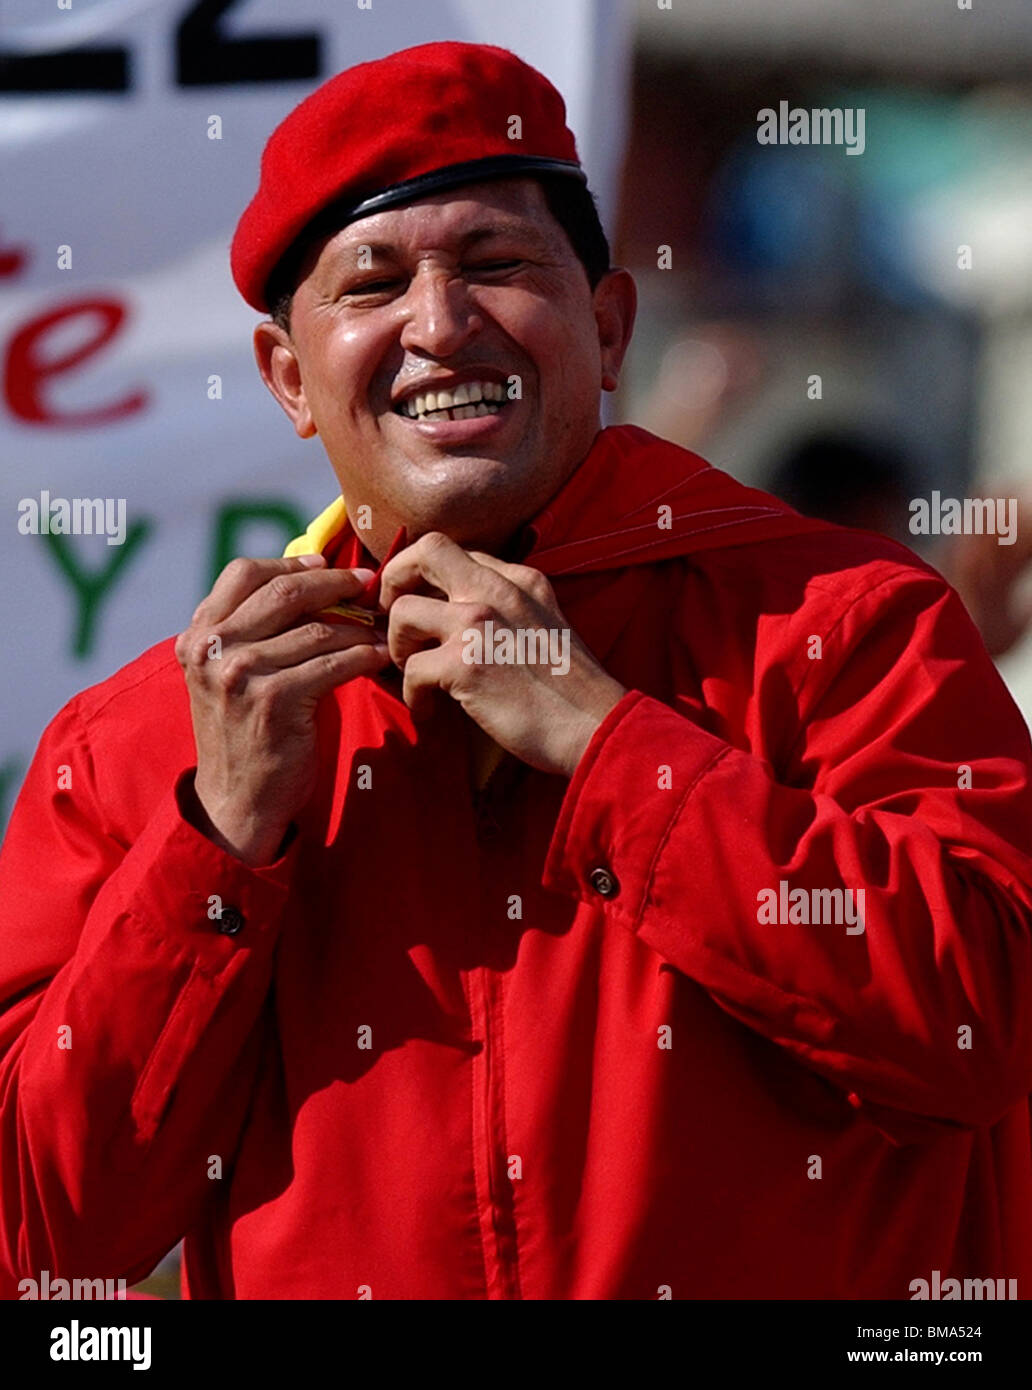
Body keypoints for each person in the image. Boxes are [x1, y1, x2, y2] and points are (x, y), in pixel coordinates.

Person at [2, 41, 1031, 1301]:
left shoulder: (848, 626)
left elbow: (982, 1034)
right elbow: (42, 1238)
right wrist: (215, 844)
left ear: (606, 328)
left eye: (496, 265)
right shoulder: (148, 742)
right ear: (289, 382)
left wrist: (612, 747)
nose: (440, 325)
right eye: (372, 282)